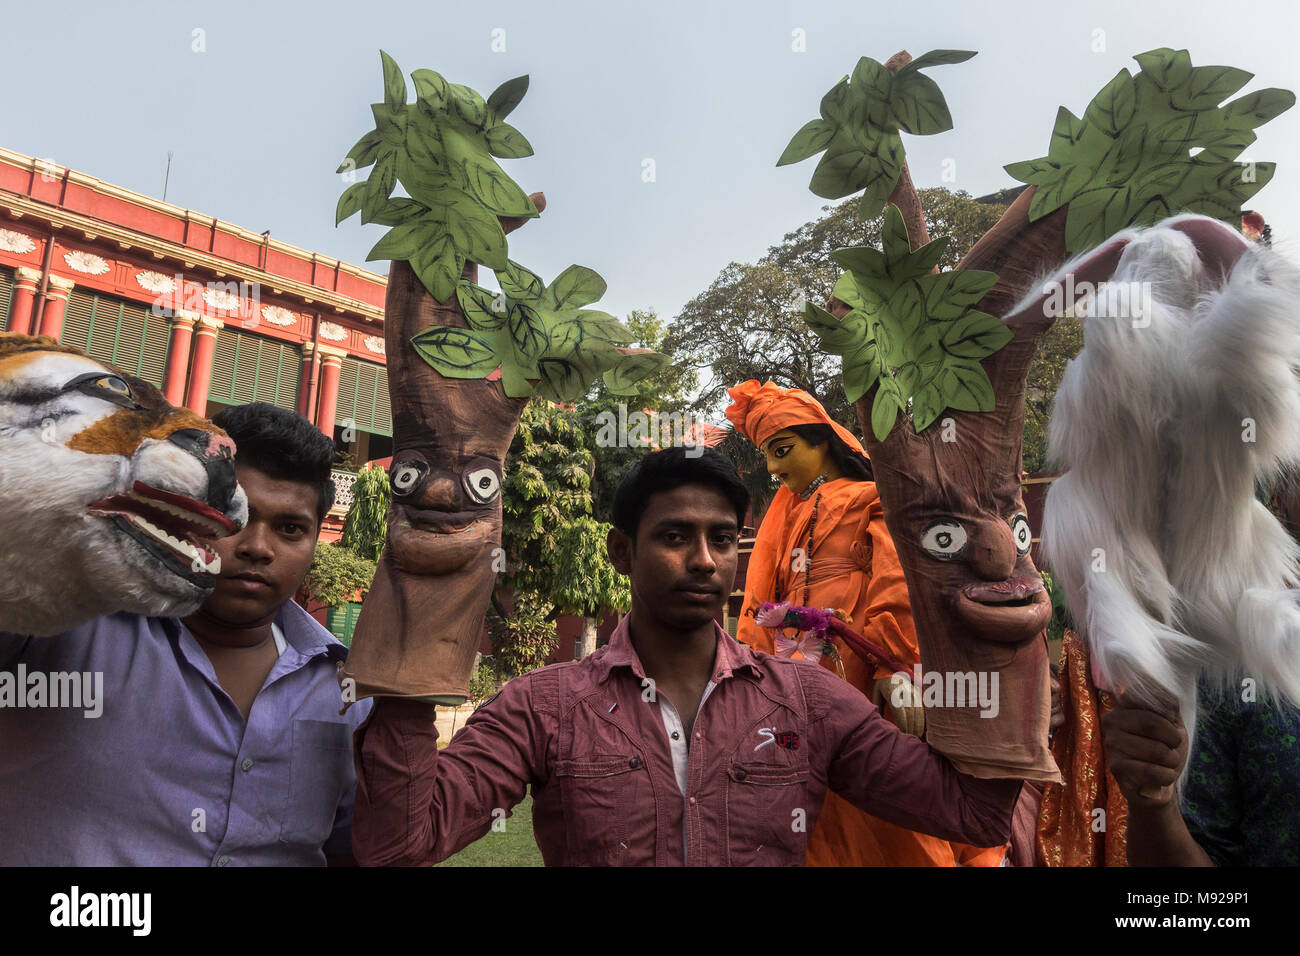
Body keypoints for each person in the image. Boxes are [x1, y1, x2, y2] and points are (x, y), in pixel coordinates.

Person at [351, 446, 1022, 866]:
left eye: (723, 539)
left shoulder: (808, 702)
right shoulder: (545, 705)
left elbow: (972, 812)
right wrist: (411, 652)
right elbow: (401, 841)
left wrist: (998, 626)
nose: (704, 560)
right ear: (622, 552)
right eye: (675, 536)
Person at [0, 402, 371, 865]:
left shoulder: (345, 690)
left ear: (315, 542)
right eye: (235, 517)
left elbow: (350, 850)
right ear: (186, 514)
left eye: (290, 529)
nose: (257, 547)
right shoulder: (63, 630)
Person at [725, 379, 1002, 866]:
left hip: (860, 665)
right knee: (807, 792)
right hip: (791, 673)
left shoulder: (874, 496)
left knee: (881, 789)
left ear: (823, 440)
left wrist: (892, 665)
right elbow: (763, 598)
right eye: (767, 455)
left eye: (782, 450)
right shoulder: (782, 514)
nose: (772, 468)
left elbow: (896, 579)